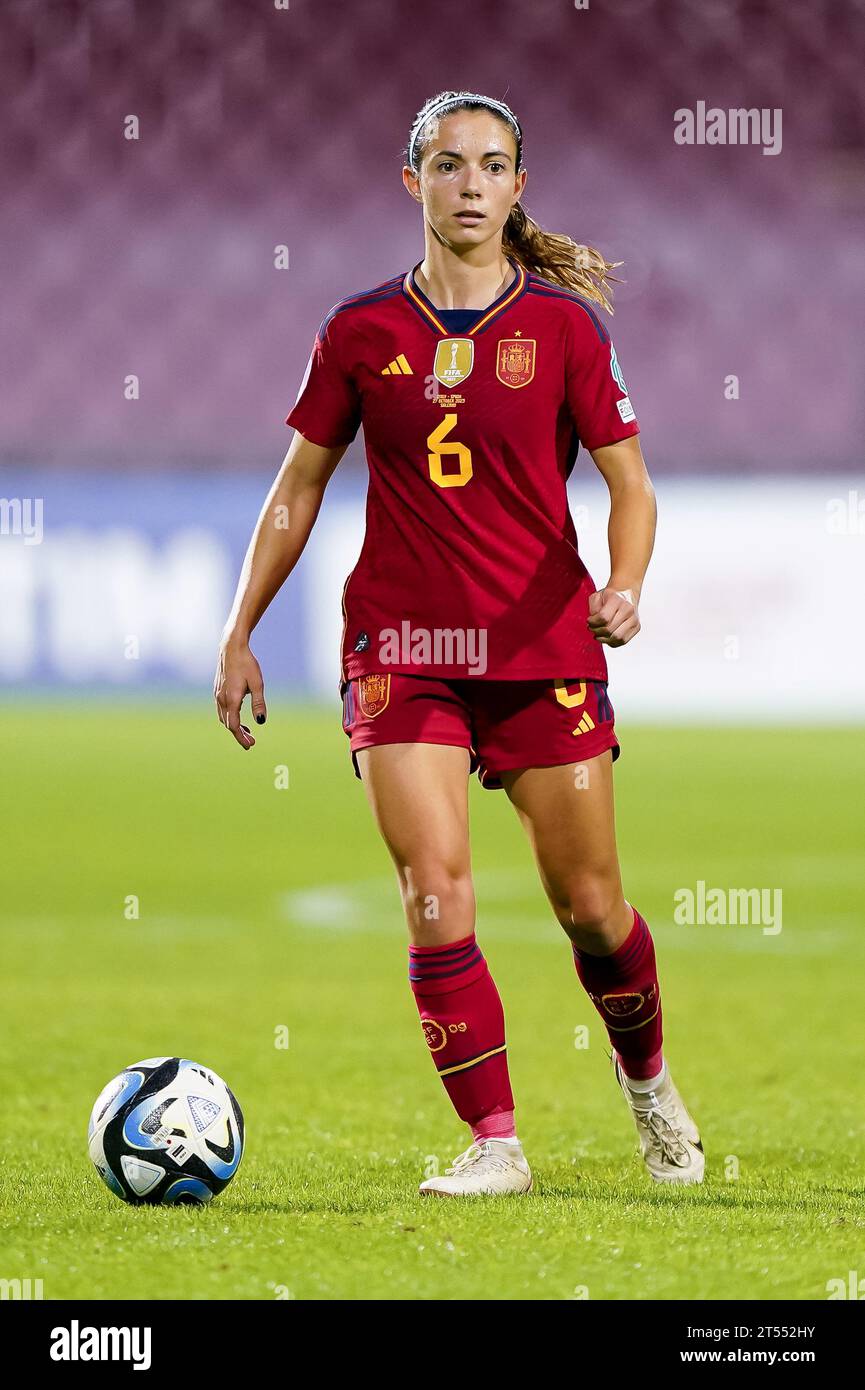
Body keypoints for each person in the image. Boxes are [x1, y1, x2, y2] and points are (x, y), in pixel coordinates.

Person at [214, 89, 704, 1197]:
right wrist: (239, 627)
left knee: (590, 906)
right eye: (448, 165)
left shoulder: (566, 331)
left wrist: (623, 584)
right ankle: (495, 1141)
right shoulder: (358, 332)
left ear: (517, 188)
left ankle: (649, 1085)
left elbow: (632, 488)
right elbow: (298, 490)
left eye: (490, 166)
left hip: (541, 645)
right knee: (434, 886)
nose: (470, 183)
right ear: (413, 184)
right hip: (401, 646)